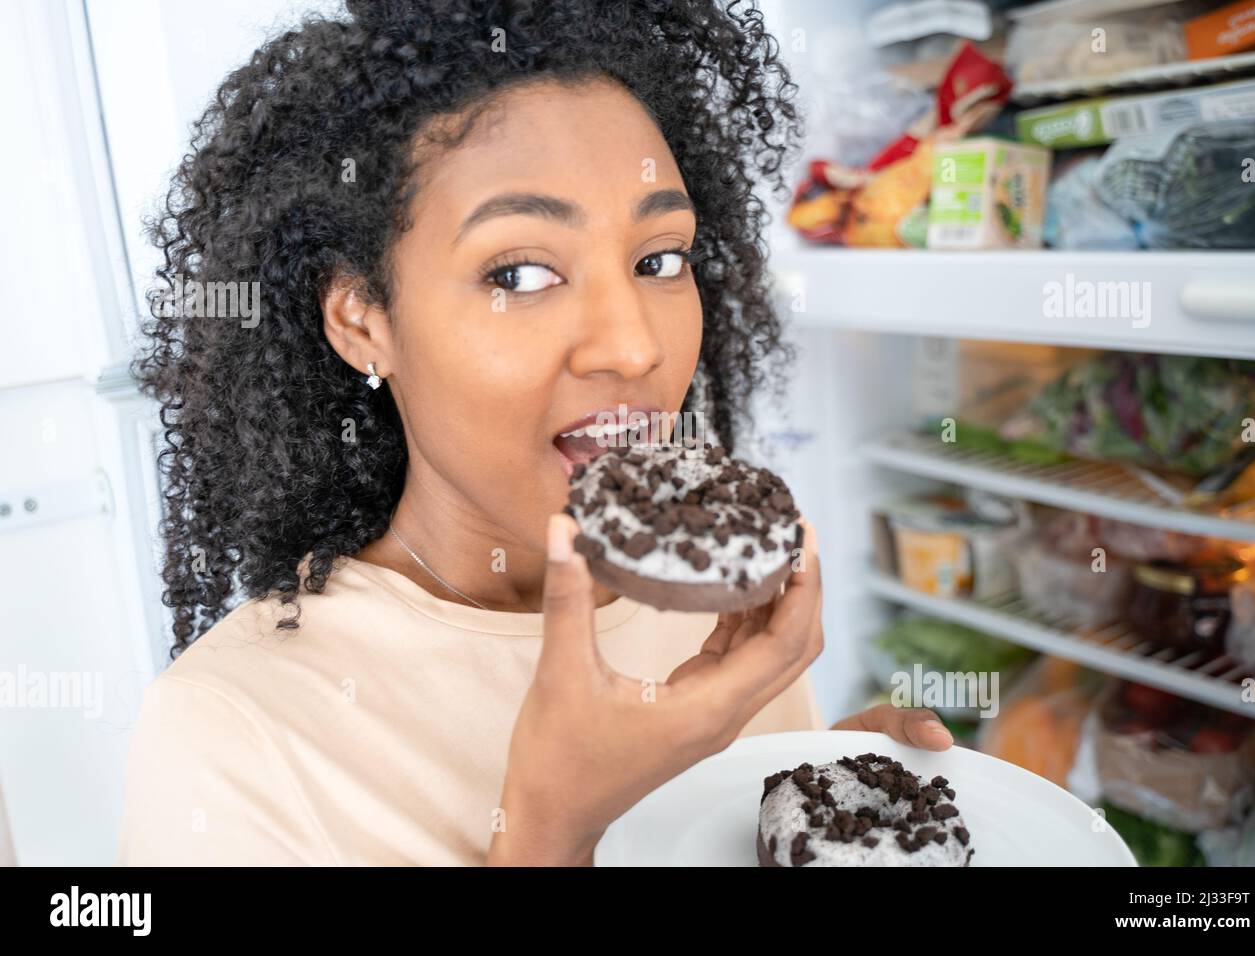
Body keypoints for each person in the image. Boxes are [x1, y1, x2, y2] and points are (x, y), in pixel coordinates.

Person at [117, 0, 952, 866]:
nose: (634, 346)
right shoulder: (228, 735)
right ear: (362, 320)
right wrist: (550, 831)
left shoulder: (714, 596)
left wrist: (794, 811)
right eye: (519, 272)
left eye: (659, 259)